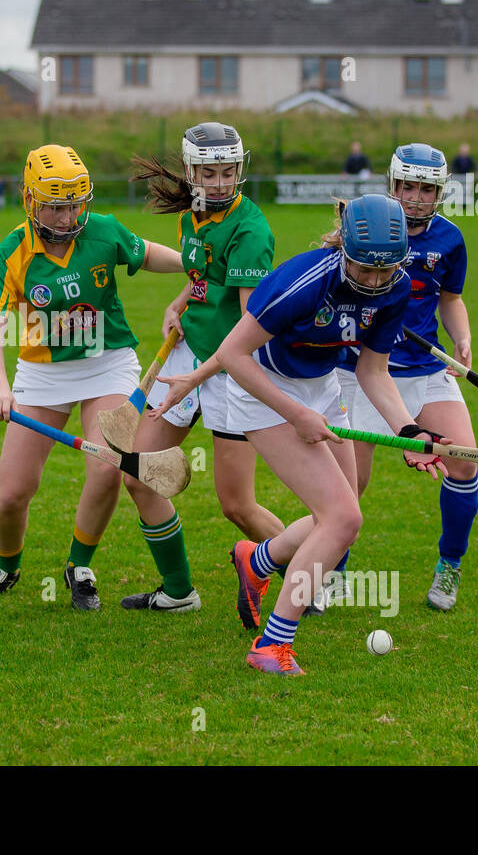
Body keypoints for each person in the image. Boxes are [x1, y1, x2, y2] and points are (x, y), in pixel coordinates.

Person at [155, 195, 445, 675]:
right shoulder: (305, 281)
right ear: (344, 248)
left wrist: (410, 430)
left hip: (323, 389)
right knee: (343, 519)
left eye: (385, 271)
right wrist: (295, 415)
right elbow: (232, 355)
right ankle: (271, 645)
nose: (374, 282)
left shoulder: (394, 289)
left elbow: (374, 371)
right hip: (263, 394)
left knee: (340, 509)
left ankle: (259, 559)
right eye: (364, 269)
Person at [0, 144, 184, 610]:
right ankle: (7, 565)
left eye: (74, 204)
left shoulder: (104, 231)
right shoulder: (14, 252)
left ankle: (79, 565)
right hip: (42, 374)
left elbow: (146, 254)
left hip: (108, 362)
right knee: (12, 492)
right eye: (56, 206)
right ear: (31, 201)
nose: (67, 217)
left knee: (106, 466)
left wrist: (195, 266)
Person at [118, 122, 284, 615]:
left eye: (228, 172)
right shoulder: (192, 215)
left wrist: (204, 372)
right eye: (209, 173)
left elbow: (253, 323)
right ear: (191, 172)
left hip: (233, 371)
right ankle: (178, 591)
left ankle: (311, 573)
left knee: (236, 505)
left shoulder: (251, 230)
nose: (219, 182)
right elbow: (203, 278)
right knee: (139, 474)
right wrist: (179, 302)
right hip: (189, 358)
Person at [336, 143, 478, 612]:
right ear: (392, 184)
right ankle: (331, 571)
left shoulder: (449, 238)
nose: (416, 197)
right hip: (360, 371)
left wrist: (461, 339)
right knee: (347, 485)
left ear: (439, 192)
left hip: (423, 367)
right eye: (408, 186)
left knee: (463, 464)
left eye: (426, 189)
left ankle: (450, 565)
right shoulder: (362, 228)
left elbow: (451, 297)